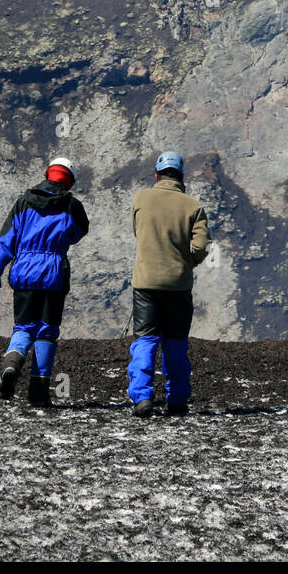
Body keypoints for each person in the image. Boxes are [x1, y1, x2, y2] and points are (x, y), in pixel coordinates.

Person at [0, 157, 89, 407]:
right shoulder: (72, 206)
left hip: (24, 273)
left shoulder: (23, 201)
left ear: (47, 174)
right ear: (69, 181)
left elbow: (6, 242)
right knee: (47, 332)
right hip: (54, 274)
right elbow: (79, 232)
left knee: (23, 327)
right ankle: (39, 393)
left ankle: (11, 365)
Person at [127, 151, 210, 418]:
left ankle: (142, 397)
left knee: (146, 339)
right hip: (178, 285)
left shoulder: (141, 198)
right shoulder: (193, 207)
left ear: (157, 174)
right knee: (175, 343)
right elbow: (200, 246)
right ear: (181, 177)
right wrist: (186, 263)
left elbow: (137, 230)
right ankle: (177, 400)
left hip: (146, 282)